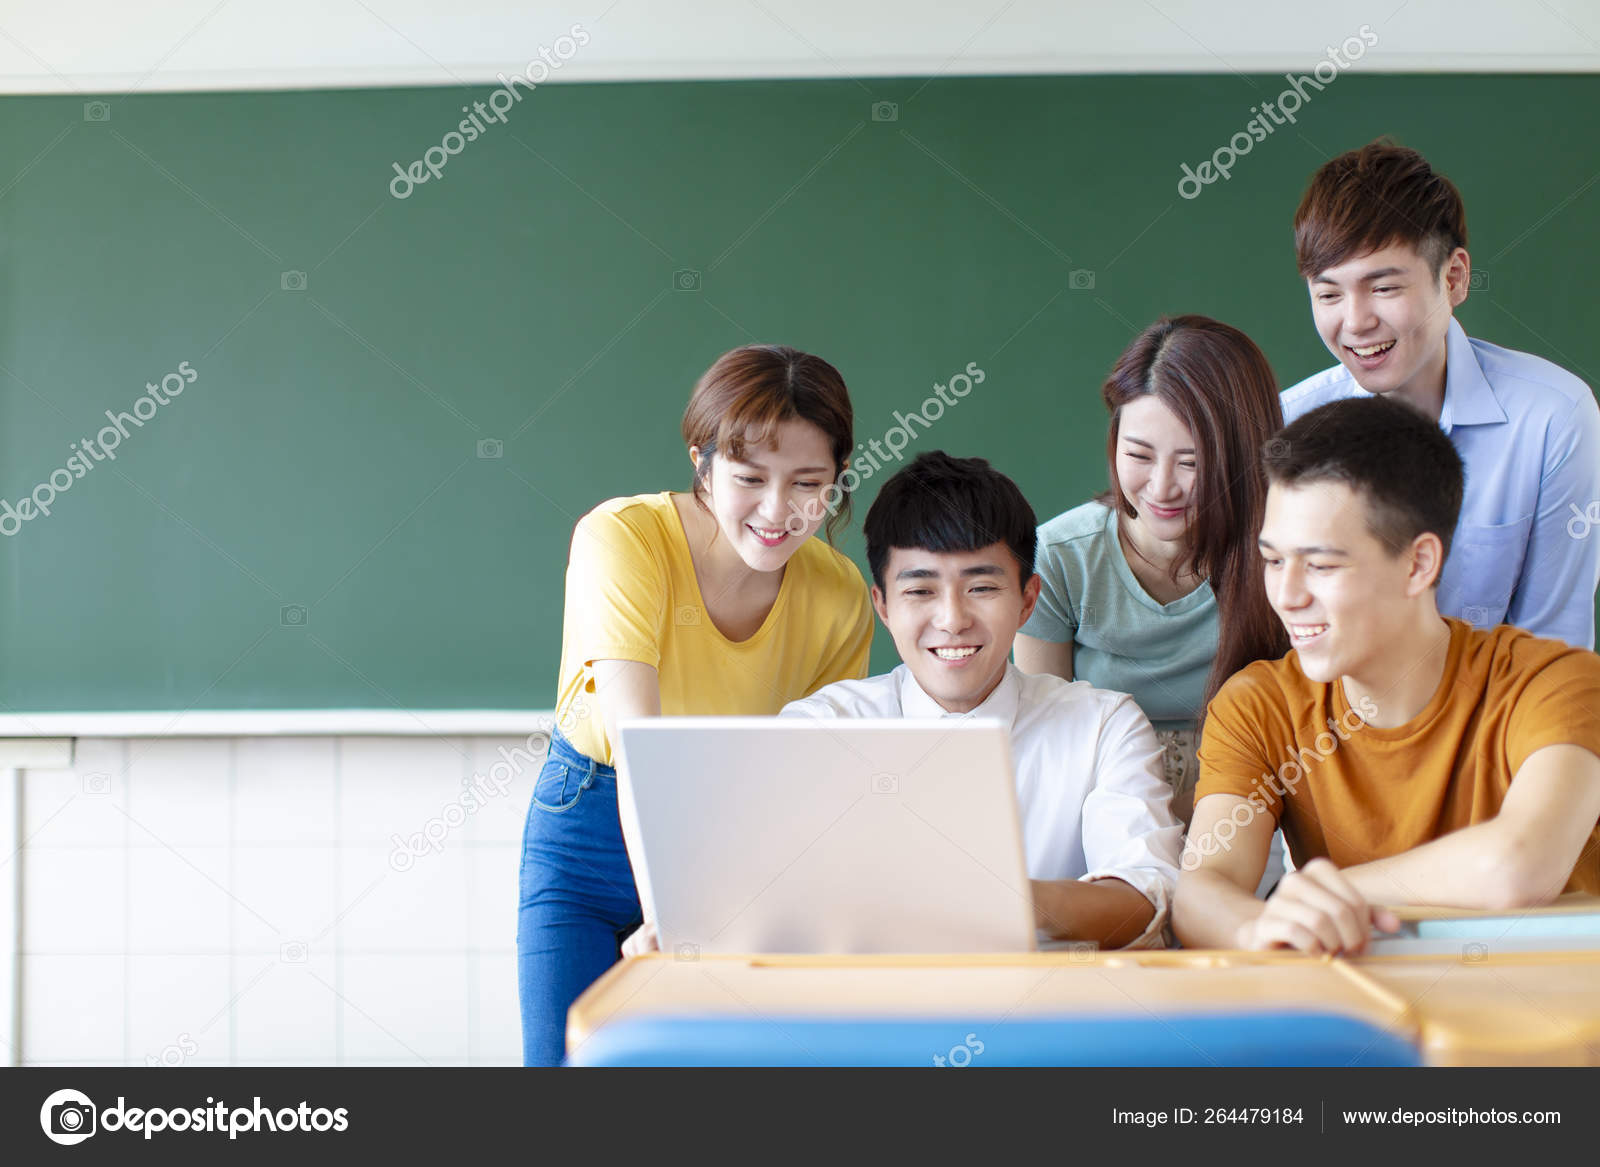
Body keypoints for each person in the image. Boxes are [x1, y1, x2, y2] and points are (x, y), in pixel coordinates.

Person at [518, 345, 874, 1065]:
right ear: (701, 461)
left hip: (733, 836)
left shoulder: (839, 595)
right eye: (750, 478)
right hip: (593, 821)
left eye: (809, 482)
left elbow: (807, 780)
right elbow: (638, 737)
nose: (779, 511)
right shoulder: (623, 538)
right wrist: (669, 914)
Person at [1172, 396, 1600, 955]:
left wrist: (1316, 893)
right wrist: (1258, 928)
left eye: (1322, 565)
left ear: (1419, 564)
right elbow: (1202, 890)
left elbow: (1518, 866)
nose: (1288, 595)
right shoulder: (1258, 705)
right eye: (1274, 561)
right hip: (1370, 1020)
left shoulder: (1554, 682)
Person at [783, 451, 1184, 949]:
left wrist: (1005, 898)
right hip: (869, 1010)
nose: (952, 619)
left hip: (1046, 1014)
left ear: (1028, 600)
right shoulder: (821, 728)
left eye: (981, 587)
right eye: (921, 591)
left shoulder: (1102, 725)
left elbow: (1146, 898)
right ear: (882, 606)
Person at [1281, 138, 1600, 649]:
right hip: (1330, 724)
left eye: (1384, 288)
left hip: (1496, 724)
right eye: (1328, 294)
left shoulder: (1553, 418)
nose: (1356, 322)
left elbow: (1554, 651)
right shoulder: (1288, 425)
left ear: (1453, 278)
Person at [1014, 315, 1288, 830]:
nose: (1162, 489)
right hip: (1102, 810)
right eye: (1139, 454)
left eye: (1192, 462)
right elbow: (1045, 734)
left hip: (1249, 809)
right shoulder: (1058, 556)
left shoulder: (1283, 554)